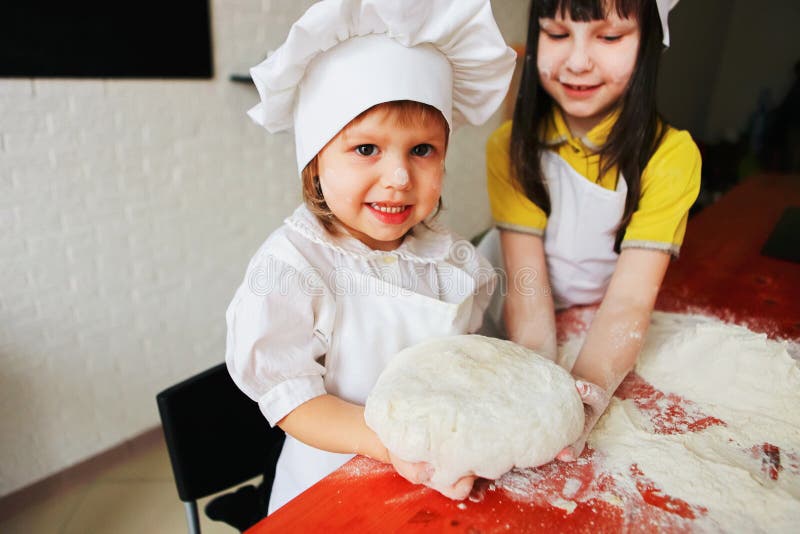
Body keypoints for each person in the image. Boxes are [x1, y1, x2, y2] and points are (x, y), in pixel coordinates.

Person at [225, 0, 516, 516]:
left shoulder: (453, 259)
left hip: (432, 483)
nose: (399, 178)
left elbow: (464, 363)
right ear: (315, 162)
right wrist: (389, 445)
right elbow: (293, 401)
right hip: (329, 490)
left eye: (422, 150)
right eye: (366, 150)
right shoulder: (293, 268)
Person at [477, 0, 701, 461]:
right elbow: (526, 286)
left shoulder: (670, 157)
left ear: (648, 43)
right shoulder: (509, 147)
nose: (578, 61)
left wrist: (584, 397)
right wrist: (538, 384)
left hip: (596, 308)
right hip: (509, 298)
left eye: (609, 36)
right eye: (557, 34)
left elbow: (629, 301)